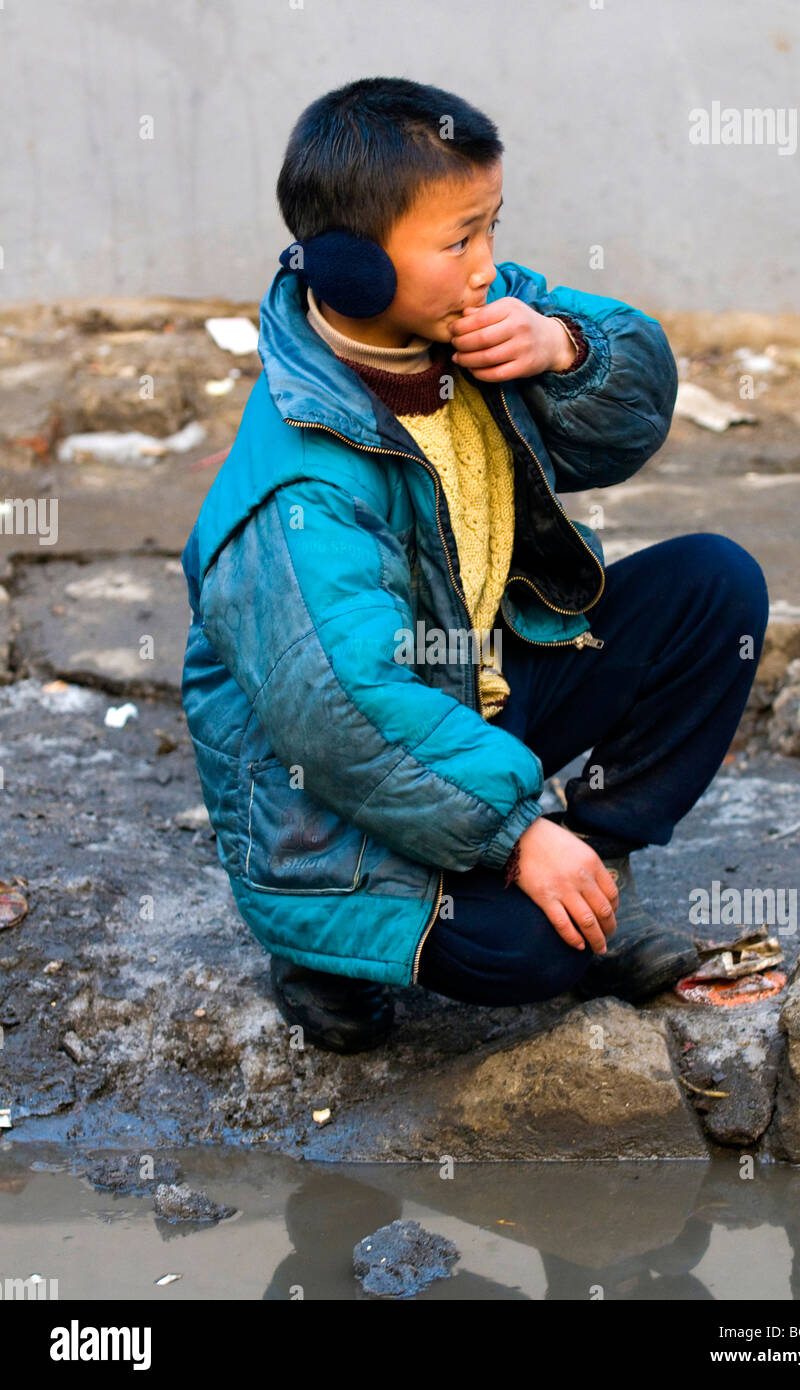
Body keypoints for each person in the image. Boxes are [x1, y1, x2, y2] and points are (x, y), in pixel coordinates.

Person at [180, 76, 769, 1055]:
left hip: (471, 695)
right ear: (355, 272)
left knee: (716, 586)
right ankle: (328, 950)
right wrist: (514, 834)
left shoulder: (469, 314)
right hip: (339, 781)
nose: (489, 264)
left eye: (492, 226)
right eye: (460, 240)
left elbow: (631, 400)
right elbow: (347, 716)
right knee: (529, 955)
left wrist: (564, 348)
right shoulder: (298, 487)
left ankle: (590, 858)